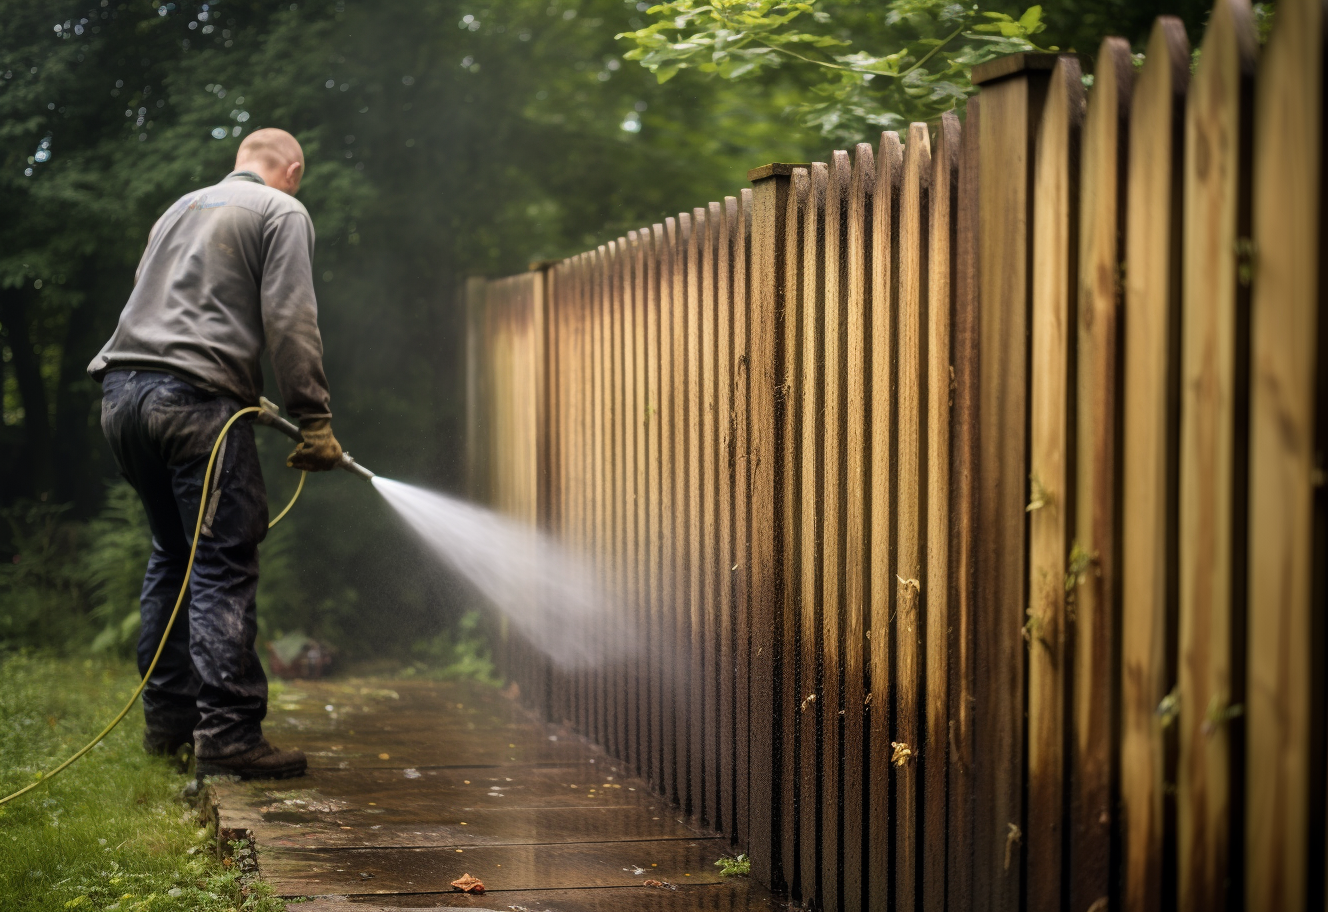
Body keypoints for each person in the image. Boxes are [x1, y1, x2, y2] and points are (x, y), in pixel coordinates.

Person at [88, 128, 343, 779]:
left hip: (121, 397)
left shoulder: (179, 208)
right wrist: (314, 419)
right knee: (223, 559)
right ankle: (228, 734)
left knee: (173, 552)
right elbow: (290, 317)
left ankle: (167, 724)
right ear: (290, 170)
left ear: (239, 164)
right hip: (195, 403)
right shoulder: (281, 210)